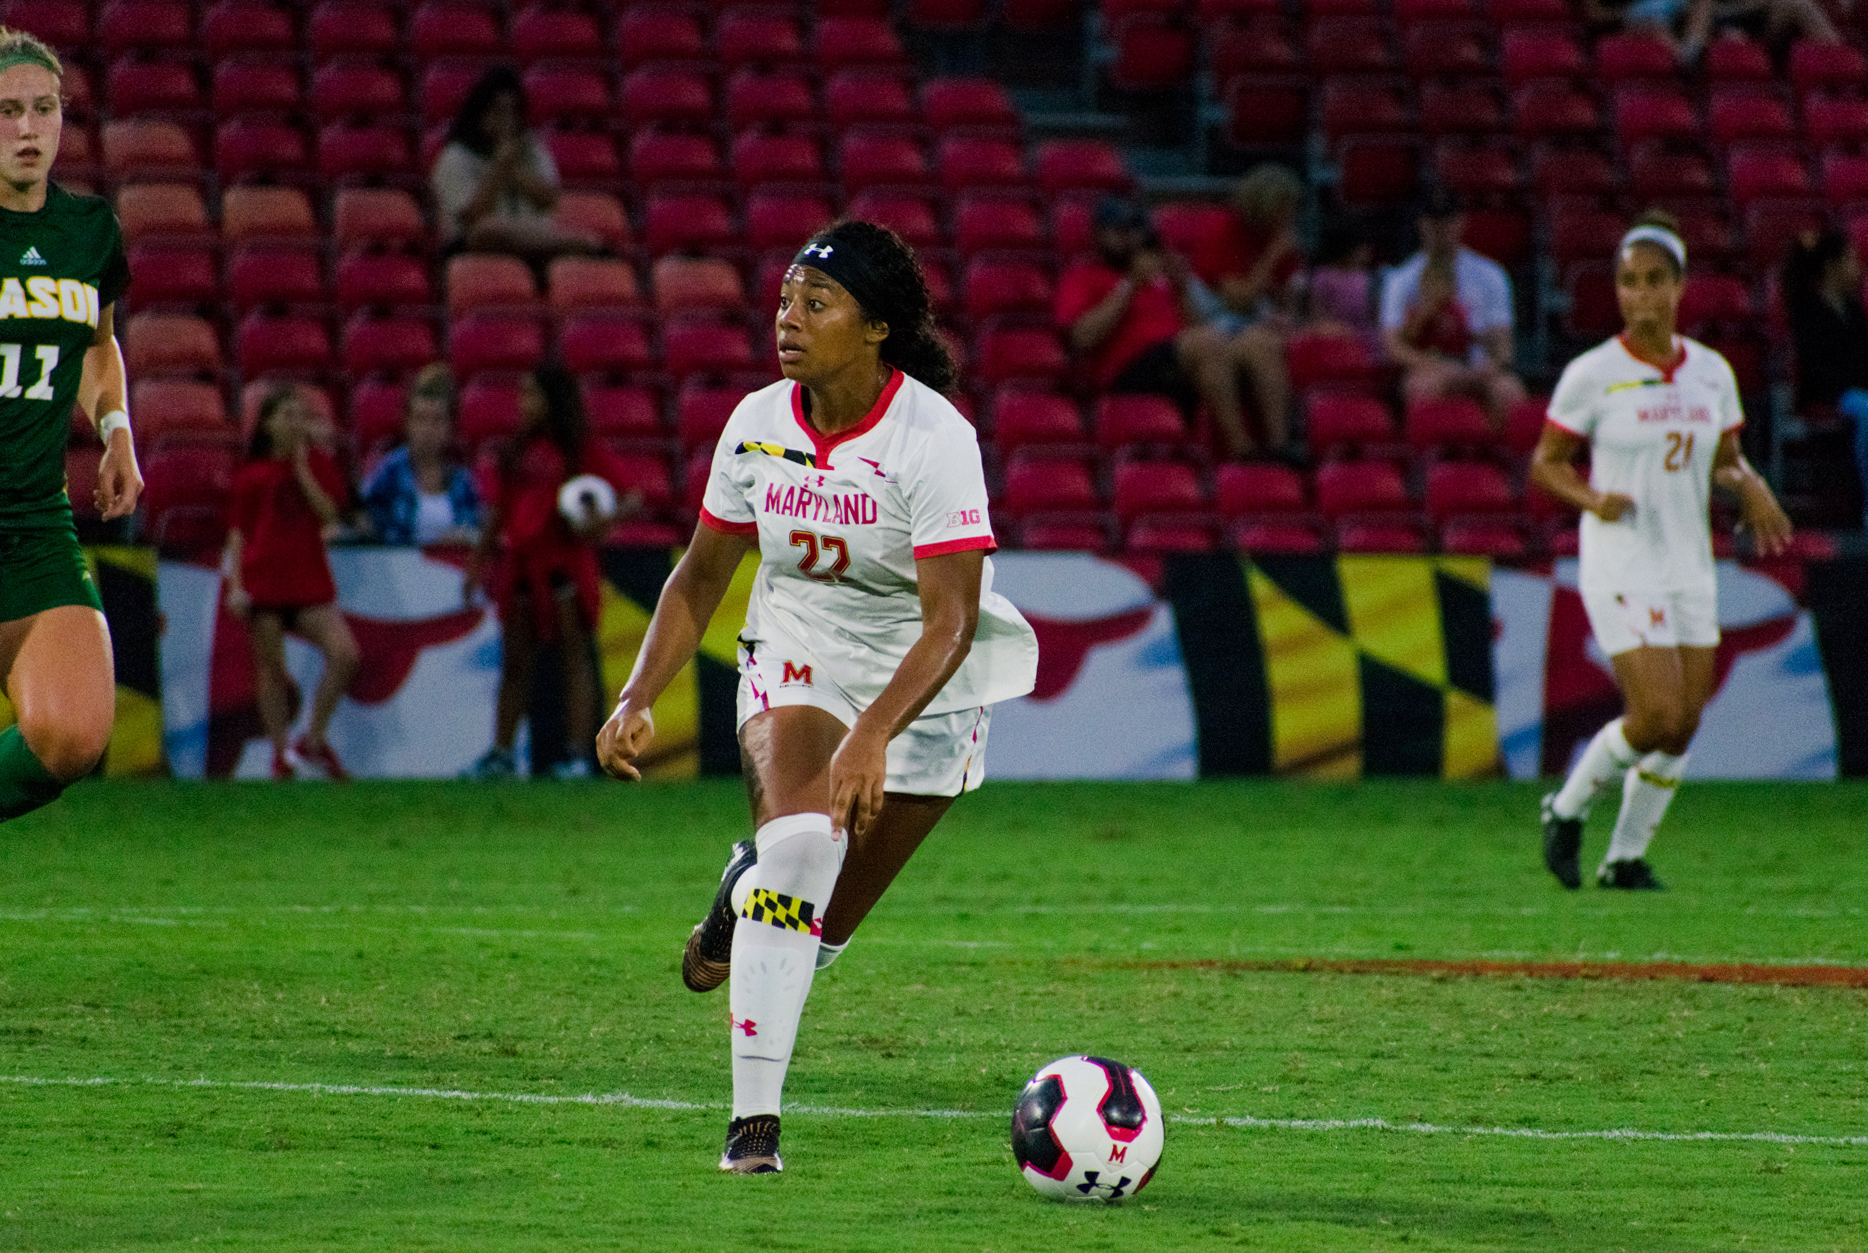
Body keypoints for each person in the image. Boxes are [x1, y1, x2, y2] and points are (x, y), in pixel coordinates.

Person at [596, 221, 1038, 1173]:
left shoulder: (935, 438)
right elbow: (701, 575)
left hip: (921, 681)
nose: (787, 320)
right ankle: (753, 1126)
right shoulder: (757, 421)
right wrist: (639, 693)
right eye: (785, 301)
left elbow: (951, 622)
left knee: (817, 930)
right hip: (796, 649)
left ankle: (740, 893)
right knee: (801, 851)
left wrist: (873, 734)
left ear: (877, 327)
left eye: (816, 303)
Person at [1533, 210, 1792, 891]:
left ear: (1679, 287)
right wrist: (1593, 499)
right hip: (1621, 556)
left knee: (1684, 725)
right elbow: (1547, 462)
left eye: (1653, 281)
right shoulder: (1594, 374)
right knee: (1656, 713)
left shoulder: (1711, 373)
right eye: (1627, 282)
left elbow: (1724, 462)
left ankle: (1624, 858)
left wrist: (1750, 485)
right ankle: (1564, 809)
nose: (1640, 294)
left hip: (1687, 559)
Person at [0, 29, 141, 820]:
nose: (28, 129)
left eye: (43, 109)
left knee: (73, 734)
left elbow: (95, 343)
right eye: (8, 111)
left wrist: (117, 427)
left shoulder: (89, 232)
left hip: (33, 521)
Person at [464, 365, 629, 781]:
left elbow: (629, 496)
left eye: (531, 395)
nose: (523, 404)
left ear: (552, 401)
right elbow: (496, 511)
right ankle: (501, 753)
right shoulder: (514, 451)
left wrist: (598, 522)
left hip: (565, 565)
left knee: (575, 658)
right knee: (516, 661)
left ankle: (577, 756)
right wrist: (480, 562)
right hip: (521, 566)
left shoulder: (578, 450)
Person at [223, 387, 362, 781]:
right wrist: (236, 585)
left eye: (300, 414)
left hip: (307, 577)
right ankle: (281, 753)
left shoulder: (317, 464)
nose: (295, 422)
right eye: (287, 414)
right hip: (264, 577)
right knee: (271, 670)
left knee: (345, 653)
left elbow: (328, 514)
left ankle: (313, 740)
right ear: (267, 424)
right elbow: (238, 534)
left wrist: (301, 470)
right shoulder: (251, 474)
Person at [1055, 198, 1263, 460]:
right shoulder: (1083, 276)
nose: (1128, 238)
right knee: (1204, 343)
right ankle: (1244, 451)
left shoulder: (1159, 276)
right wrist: (1130, 286)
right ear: (1099, 234)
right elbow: (1082, 338)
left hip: (1179, 360)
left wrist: (1182, 291)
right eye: (1119, 231)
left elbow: (1201, 329)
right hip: (1127, 370)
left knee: (1260, 344)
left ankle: (1279, 448)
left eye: (1132, 230)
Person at [1381, 189, 1527, 430]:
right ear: (1422, 224)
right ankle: (1436, 462)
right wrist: (1431, 364)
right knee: (1423, 389)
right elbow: (1394, 346)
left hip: (1478, 365)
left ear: (1461, 222)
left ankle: (1498, 460)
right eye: (1434, 221)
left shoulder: (1490, 275)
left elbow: (1503, 341)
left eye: (1448, 220)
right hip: (1430, 365)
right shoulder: (1401, 279)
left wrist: (1495, 364)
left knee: (1509, 390)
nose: (1442, 228)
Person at [1190, 163, 1303, 455]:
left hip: (1256, 320)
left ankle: (1281, 449)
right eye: (1284, 208)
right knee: (1260, 345)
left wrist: (1286, 316)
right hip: (1216, 321)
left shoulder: (1278, 237)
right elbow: (1237, 300)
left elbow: (1287, 295)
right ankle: (1252, 448)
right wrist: (1273, 254)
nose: (1290, 217)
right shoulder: (1224, 231)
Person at [430, 67, 598, 260]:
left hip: (532, 243)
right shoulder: (455, 157)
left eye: (512, 111)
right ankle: (573, 244)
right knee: (489, 230)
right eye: (498, 111)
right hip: (471, 249)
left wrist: (513, 169)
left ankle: (564, 246)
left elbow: (549, 199)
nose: (506, 120)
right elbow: (472, 218)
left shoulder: (531, 149)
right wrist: (499, 168)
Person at [1781, 228, 1868, 529]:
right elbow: (1818, 370)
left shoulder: (1854, 311)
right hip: (1826, 395)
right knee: (1865, 410)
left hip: (1855, 392)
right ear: (1832, 267)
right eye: (1852, 261)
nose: (1859, 268)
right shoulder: (1808, 310)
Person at [361, 364, 483, 546]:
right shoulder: (387, 476)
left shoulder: (464, 482)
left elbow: (479, 534)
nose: (428, 429)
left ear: (451, 426)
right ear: (407, 422)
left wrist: (465, 539)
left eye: (437, 420)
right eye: (421, 418)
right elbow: (365, 528)